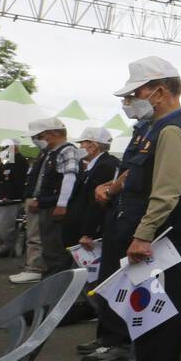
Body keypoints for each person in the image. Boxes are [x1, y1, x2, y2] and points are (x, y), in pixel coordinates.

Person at [101, 58, 181, 361]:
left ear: (159, 91)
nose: (130, 99)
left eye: (135, 93)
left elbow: (167, 191)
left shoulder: (172, 129)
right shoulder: (156, 127)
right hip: (155, 240)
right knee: (143, 317)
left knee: (157, 318)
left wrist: (143, 234)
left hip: (163, 242)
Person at [81, 113, 152, 361]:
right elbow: (125, 173)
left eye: (135, 94)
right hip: (118, 217)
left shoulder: (161, 131)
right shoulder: (142, 129)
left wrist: (111, 188)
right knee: (108, 282)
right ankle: (107, 336)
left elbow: (135, 176)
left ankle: (119, 340)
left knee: (123, 287)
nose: (128, 101)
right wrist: (108, 187)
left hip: (132, 222)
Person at [60, 127, 122, 328]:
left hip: (92, 230)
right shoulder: (94, 165)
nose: (81, 147)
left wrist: (89, 232)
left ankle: (95, 309)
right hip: (82, 226)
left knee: (91, 272)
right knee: (86, 272)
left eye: (83, 143)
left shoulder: (106, 165)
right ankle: (90, 306)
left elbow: (96, 203)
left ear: (94, 145)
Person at [28, 117, 82, 278]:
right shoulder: (51, 152)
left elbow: (69, 177)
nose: (37, 141)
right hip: (48, 204)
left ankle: (57, 282)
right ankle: (51, 279)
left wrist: (62, 204)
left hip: (55, 206)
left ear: (52, 133)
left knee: (55, 247)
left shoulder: (67, 150)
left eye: (39, 136)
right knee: (48, 245)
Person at [8, 122, 49, 285]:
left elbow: (43, 179)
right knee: (32, 236)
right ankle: (31, 266)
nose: (34, 140)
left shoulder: (46, 154)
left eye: (37, 136)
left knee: (35, 237)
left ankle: (35, 268)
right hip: (31, 197)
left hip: (34, 199)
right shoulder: (42, 154)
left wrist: (35, 197)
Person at [0, 139, 28, 260]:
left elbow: (19, 182)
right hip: (2, 199)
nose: (3, 149)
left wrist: (11, 196)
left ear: (14, 147)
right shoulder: (8, 161)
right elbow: (1, 179)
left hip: (12, 199)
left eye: (6, 147)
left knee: (5, 227)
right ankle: (4, 248)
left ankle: (9, 248)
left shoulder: (20, 161)